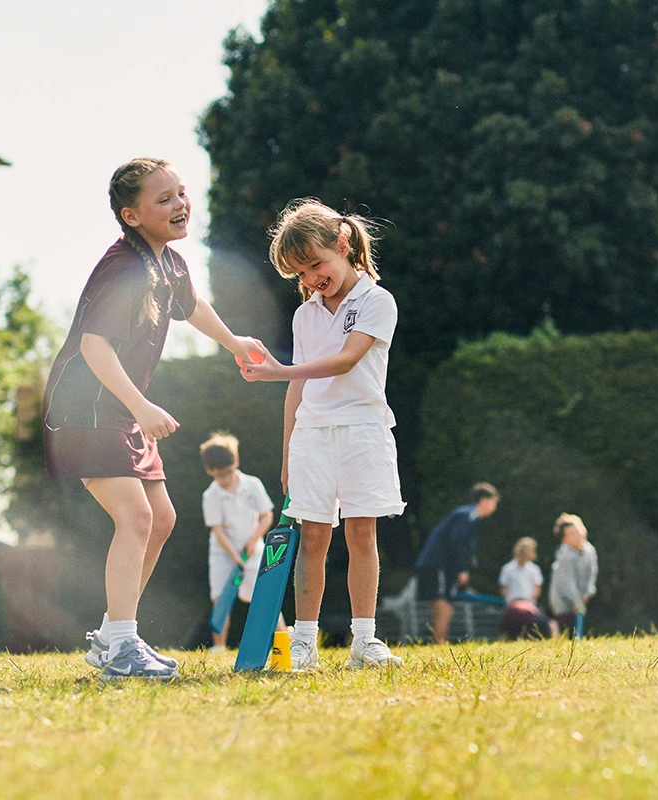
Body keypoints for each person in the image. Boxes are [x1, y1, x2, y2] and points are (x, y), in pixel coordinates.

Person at [42, 157, 264, 681]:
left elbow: (192, 305)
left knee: (160, 519)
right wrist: (141, 407)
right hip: (87, 410)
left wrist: (234, 343)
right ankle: (121, 647)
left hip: (120, 411)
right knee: (136, 518)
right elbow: (94, 344)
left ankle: (112, 639)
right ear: (132, 215)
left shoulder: (169, 263)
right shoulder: (126, 267)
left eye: (181, 193)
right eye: (163, 199)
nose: (180, 204)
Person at [238, 198, 406, 671]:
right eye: (301, 274)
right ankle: (305, 646)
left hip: (364, 431)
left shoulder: (377, 301)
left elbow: (346, 360)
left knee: (361, 534)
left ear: (344, 243)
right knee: (311, 537)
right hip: (312, 435)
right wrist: (288, 453)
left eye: (316, 264)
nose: (312, 279)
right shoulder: (305, 314)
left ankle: (365, 642)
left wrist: (280, 370)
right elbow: (299, 387)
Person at [199, 432, 275, 651]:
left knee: (263, 594)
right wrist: (233, 556)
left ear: (236, 463)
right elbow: (218, 530)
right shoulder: (210, 495)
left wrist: (254, 539)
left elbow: (266, 515)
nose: (225, 478)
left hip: (253, 549)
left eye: (228, 472)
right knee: (219, 597)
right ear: (209, 471)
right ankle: (219, 647)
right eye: (219, 475)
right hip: (223, 552)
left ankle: (282, 639)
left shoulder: (253, 485)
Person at [414, 482, 500, 644]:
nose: (494, 508)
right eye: (493, 503)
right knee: (444, 608)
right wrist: (461, 569)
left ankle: (438, 642)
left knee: (443, 607)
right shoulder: (466, 515)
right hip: (436, 565)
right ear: (483, 500)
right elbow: (456, 541)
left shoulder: (465, 515)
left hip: (436, 566)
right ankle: (439, 645)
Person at [548, 513, 598, 636]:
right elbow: (566, 583)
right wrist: (576, 602)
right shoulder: (564, 556)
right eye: (572, 534)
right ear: (564, 540)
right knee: (568, 634)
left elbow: (591, 573)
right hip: (563, 601)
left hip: (580, 597)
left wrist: (586, 593)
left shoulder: (589, 550)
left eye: (579, 530)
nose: (578, 535)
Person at [498, 536, 557, 639]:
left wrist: (529, 602)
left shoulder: (534, 569)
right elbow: (503, 588)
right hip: (512, 604)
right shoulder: (507, 569)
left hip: (530, 604)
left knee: (547, 623)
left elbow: (537, 589)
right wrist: (511, 601)